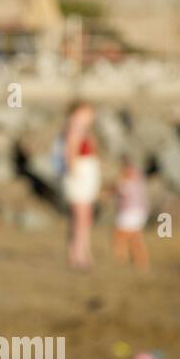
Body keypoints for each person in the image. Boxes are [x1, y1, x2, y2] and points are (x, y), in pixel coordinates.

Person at [61, 101, 100, 270]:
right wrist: (76, 175)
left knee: (83, 218)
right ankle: (78, 255)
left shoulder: (82, 130)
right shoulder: (75, 130)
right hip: (79, 178)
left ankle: (82, 252)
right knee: (81, 218)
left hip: (84, 177)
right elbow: (69, 154)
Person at [111, 154, 150, 272]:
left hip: (130, 212)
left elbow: (121, 190)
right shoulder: (139, 177)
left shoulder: (128, 178)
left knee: (122, 236)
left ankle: (123, 259)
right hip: (140, 211)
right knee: (133, 237)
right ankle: (138, 260)